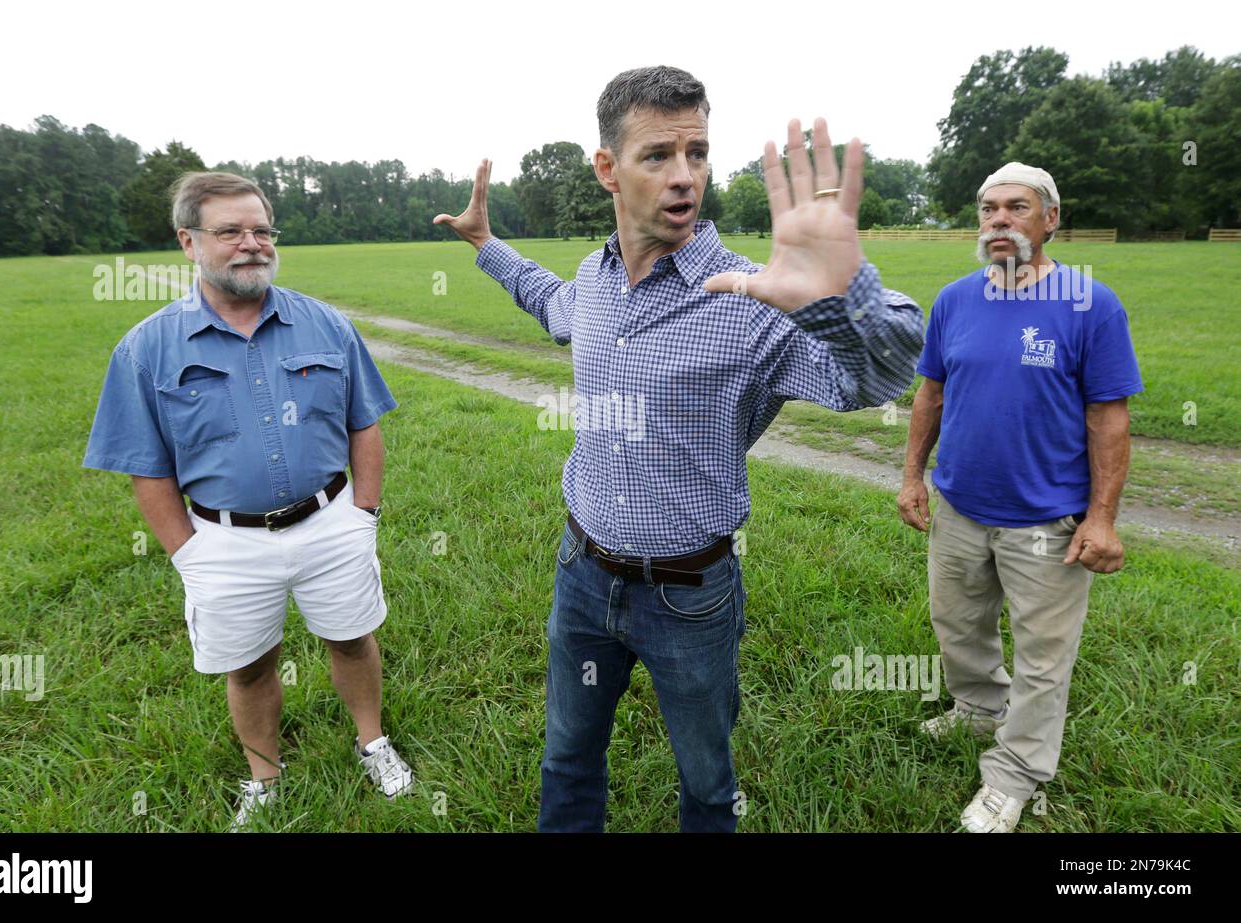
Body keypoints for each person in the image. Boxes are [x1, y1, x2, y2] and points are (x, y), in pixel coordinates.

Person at [436, 65, 923, 831]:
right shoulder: (595, 280)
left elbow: (874, 378)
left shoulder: (747, 296)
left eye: (697, 153)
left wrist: (845, 291)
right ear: (607, 169)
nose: (684, 175)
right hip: (582, 575)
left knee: (705, 780)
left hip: (690, 595)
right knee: (566, 758)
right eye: (658, 155)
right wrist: (487, 244)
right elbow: (549, 302)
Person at [83, 171, 413, 830]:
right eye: (230, 231)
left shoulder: (324, 323)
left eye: (262, 230)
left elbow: (365, 422)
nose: (251, 244)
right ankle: (265, 773)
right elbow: (146, 468)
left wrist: (363, 514)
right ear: (189, 241)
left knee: (352, 639)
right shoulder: (146, 348)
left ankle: (372, 741)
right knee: (250, 664)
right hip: (223, 541)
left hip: (330, 521)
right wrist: (190, 553)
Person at [897, 162, 1142, 832]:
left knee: (1043, 659)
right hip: (959, 508)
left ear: (1050, 218)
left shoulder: (1091, 302)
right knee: (958, 625)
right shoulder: (954, 299)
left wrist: (1101, 517)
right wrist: (913, 475)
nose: (998, 220)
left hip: (1048, 521)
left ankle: (1014, 775)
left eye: (1016, 207)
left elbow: (1109, 417)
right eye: (987, 208)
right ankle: (977, 706)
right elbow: (932, 393)